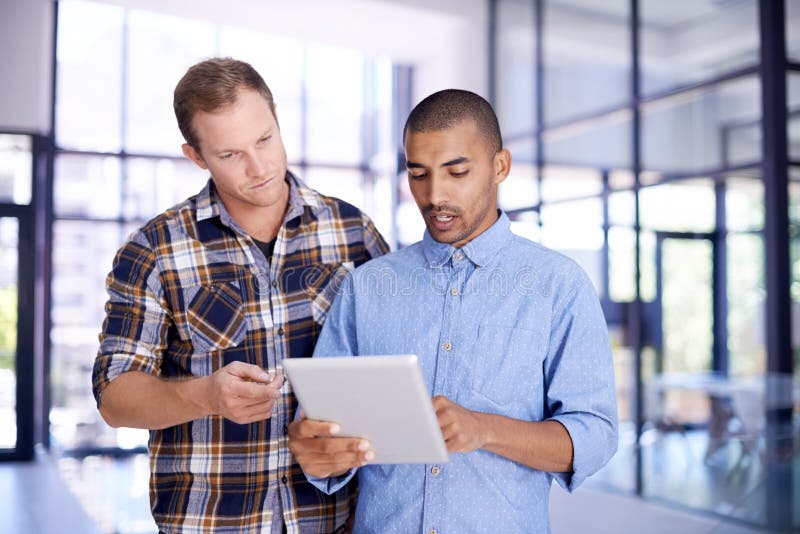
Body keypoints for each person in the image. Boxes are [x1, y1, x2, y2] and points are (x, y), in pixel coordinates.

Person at [288, 89, 618, 533]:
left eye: (456, 171)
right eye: (418, 174)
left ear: (500, 166)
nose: (434, 194)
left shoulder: (557, 285)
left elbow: (595, 436)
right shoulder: (368, 287)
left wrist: (486, 429)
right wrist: (317, 449)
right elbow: (320, 430)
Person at [91, 57, 389, 533]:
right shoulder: (155, 250)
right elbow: (114, 398)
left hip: (331, 522)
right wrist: (203, 396)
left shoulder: (354, 234)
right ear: (196, 156)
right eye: (230, 155)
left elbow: (390, 370)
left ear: (276, 121)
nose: (259, 167)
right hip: (208, 523)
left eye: (265, 139)